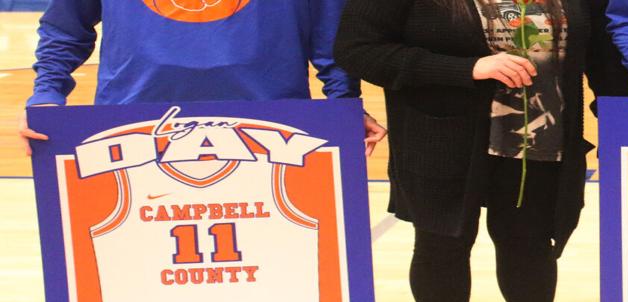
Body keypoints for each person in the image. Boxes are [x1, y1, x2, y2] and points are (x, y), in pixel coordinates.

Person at [336, 0, 628, 302]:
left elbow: (603, 54)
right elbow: (358, 49)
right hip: (439, 137)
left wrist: (617, 117)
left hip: (540, 138)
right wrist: (467, 69)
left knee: (529, 242)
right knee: (442, 244)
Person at [20, 0, 386, 157]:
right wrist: (47, 98)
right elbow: (66, 28)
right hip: (131, 126)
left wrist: (343, 106)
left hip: (272, 128)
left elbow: (332, 36)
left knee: (270, 275)